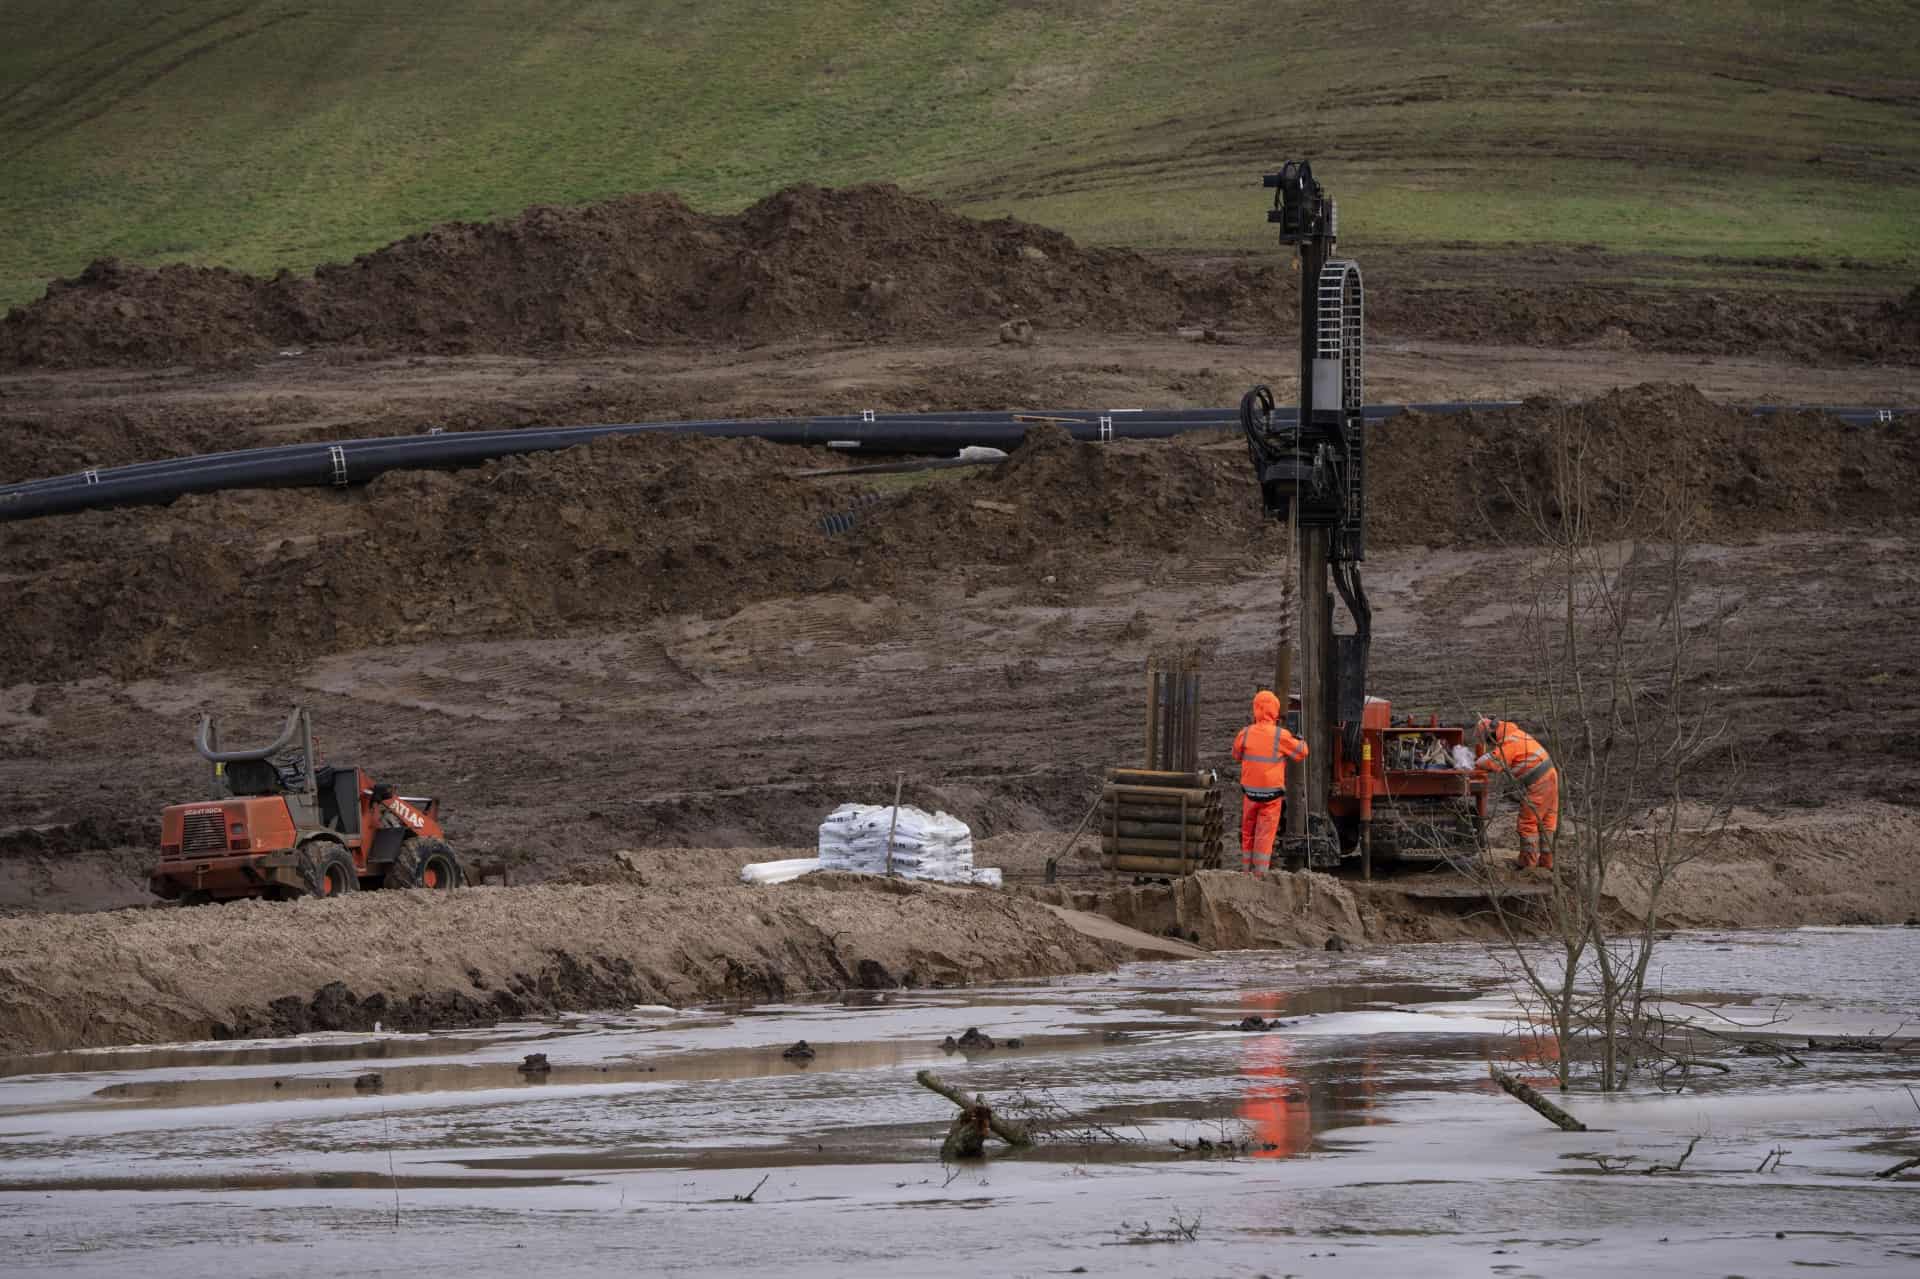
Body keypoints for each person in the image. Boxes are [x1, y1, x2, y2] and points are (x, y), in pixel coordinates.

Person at [1232, 689, 1309, 877]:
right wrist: (1299, 739)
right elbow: (1302, 752)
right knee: (1264, 836)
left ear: (1255, 709)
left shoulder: (1245, 733)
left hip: (1250, 794)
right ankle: (1260, 875)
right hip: (1271, 796)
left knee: (1248, 832)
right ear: (1275, 710)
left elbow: (1236, 755)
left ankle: (1245, 872)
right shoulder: (1280, 735)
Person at [1473, 718, 1558, 870]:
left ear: (1491, 732)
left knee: (1527, 823)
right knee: (1547, 823)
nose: (1489, 743)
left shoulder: (1509, 742)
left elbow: (1491, 762)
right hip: (1550, 777)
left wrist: (1474, 762)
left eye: (1487, 739)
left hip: (1540, 782)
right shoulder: (1515, 734)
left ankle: (1527, 864)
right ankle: (1547, 863)